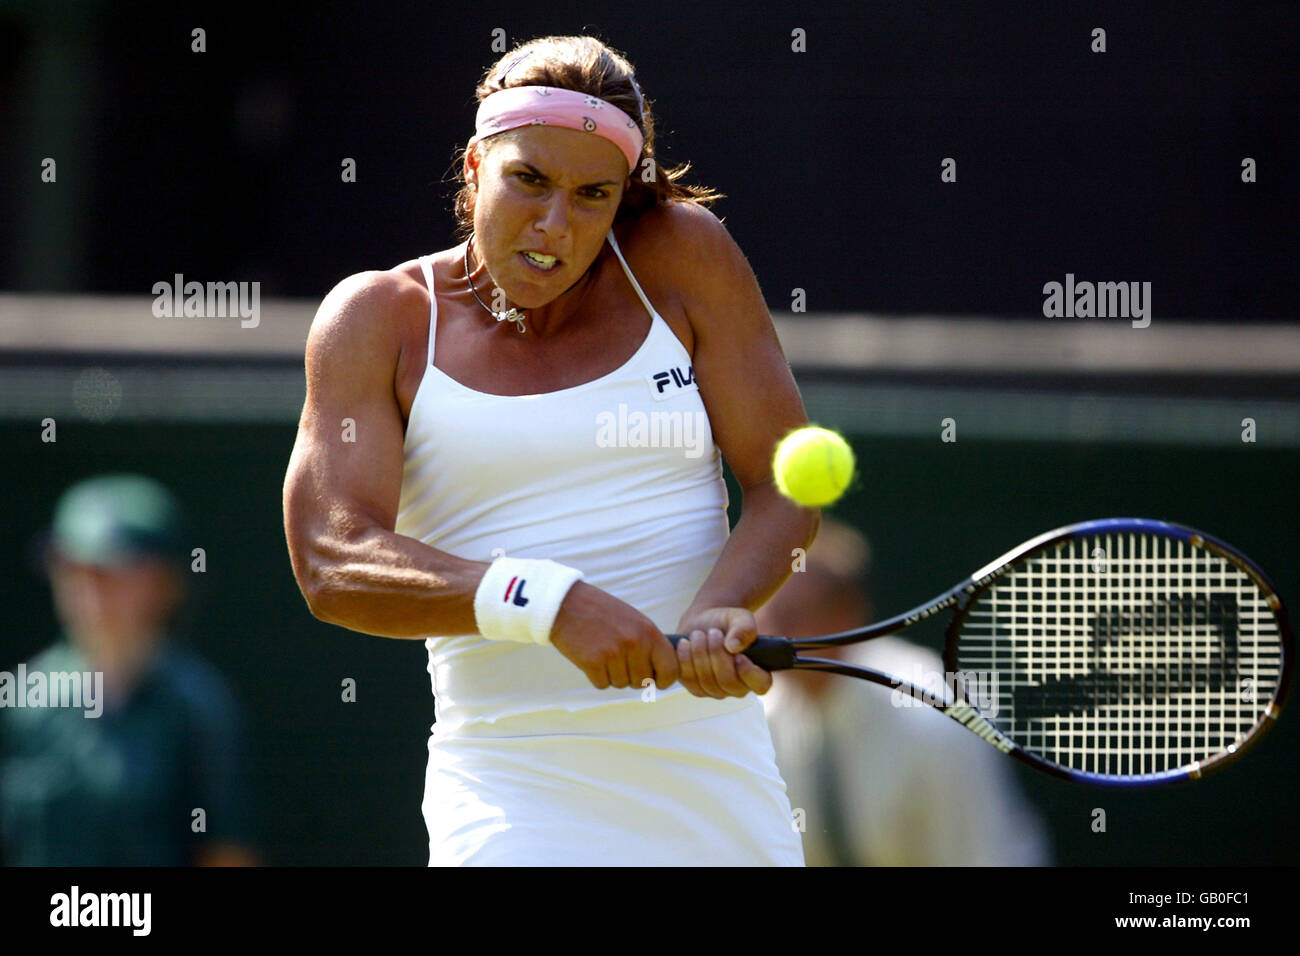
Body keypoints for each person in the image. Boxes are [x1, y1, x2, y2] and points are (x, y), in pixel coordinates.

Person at [282, 34, 819, 866]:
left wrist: (722, 605)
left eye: (591, 195)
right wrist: (545, 602)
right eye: (527, 180)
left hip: (715, 782)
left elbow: (787, 482)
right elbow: (332, 559)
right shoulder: (378, 320)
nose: (553, 225)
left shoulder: (683, 257)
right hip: (509, 791)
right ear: (473, 167)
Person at [758, 518, 1052, 866]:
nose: (771, 632)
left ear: (847, 616)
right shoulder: (763, 718)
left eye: (791, 615)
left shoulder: (934, 720)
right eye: (768, 612)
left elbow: (979, 856)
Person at [0, 474, 257, 866]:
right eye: (72, 568)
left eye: (111, 569)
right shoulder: (22, 699)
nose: (89, 590)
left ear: (164, 583)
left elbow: (227, 851)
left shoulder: (200, 706)